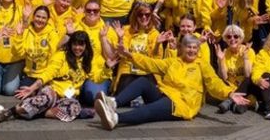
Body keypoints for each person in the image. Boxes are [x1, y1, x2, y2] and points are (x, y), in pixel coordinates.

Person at [94, 34, 249, 129]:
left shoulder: (202, 65)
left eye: (195, 48)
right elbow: (151, 64)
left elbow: (214, 83)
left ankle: (116, 119)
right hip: (165, 94)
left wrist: (230, 93)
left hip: (182, 104)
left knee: (153, 110)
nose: (192, 51)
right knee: (143, 81)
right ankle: (113, 102)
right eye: (189, 47)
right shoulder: (173, 61)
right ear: (182, 48)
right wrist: (130, 55)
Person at [0, 31, 95, 123]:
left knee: (74, 108)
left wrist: (108, 66)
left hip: (67, 98)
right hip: (53, 91)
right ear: (70, 44)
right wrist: (32, 88)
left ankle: (40, 112)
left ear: (86, 46)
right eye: (75, 44)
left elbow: (96, 76)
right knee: (45, 99)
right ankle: (10, 112)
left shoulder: (87, 61)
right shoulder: (61, 56)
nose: (77, 48)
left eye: (81, 44)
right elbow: (48, 73)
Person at [214, 25, 254, 114]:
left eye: (236, 36)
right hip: (231, 88)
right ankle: (235, 104)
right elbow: (224, 77)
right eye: (229, 37)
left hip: (245, 88)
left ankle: (229, 102)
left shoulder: (248, 51)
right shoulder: (224, 53)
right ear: (225, 39)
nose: (232, 39)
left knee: (249, 79)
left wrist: (245, 58)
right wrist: (221, 60)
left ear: (241, 38)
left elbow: (248, 75)